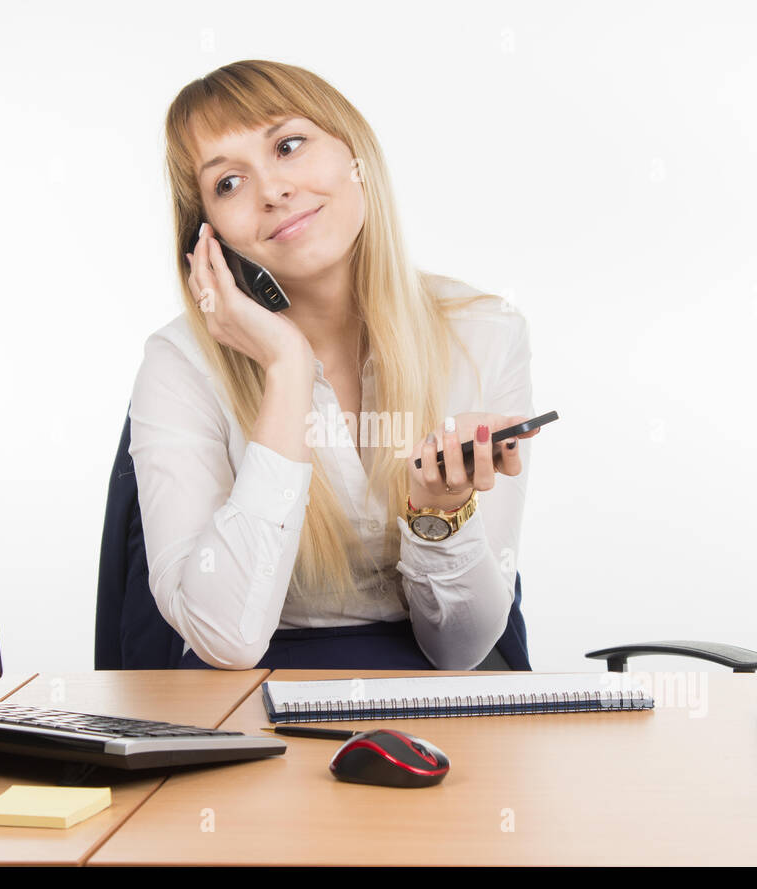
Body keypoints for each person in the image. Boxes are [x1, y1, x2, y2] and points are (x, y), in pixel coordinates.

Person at [130, 59, 542, 670]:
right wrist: (286, 366)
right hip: (253, 700)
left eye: (288, 146)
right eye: (228, 184)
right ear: (208, 240)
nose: (271, 190)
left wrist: (438, 510)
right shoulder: (179, 364)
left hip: (442, 700)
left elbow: (462, 649)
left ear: (356, 157)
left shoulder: (485, 333)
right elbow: (226, 640)